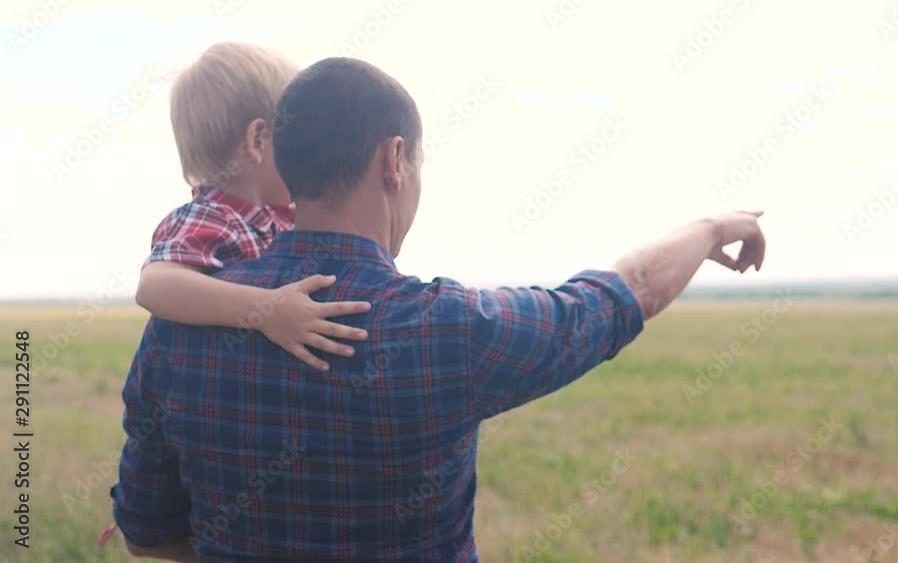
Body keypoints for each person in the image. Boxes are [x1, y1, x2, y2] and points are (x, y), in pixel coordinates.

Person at [110, 57, 766, 562]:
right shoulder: (446, 330)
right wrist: (710, 227)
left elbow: (145, 531)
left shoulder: (179, 329)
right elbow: (626, 293)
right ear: (394, 160)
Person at [136, 42, 371, 369]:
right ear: (258, 140)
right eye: (299, 139)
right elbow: (155, 286)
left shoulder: (281, 219)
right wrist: (268, 310)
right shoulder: (212, 217)